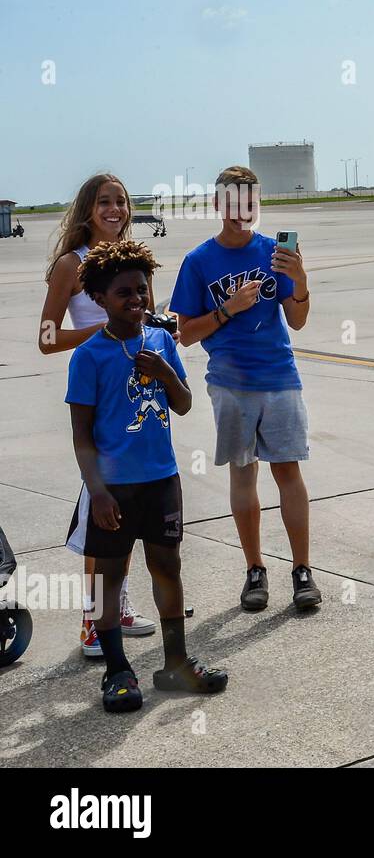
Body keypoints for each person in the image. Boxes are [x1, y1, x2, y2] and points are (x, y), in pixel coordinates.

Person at [65, 241, 227, 712]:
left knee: (168, 567)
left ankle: (174, 664)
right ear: (99, 297)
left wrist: (164, 373)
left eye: (142, 289)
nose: (136, 299)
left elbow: (184, 403)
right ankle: (117, 670)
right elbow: (81, 435)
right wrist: (96, 492)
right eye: (124, 292)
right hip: (112, 487)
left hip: (161, 479)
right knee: (109, 577)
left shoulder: (158, 342)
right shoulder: (89, 356)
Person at [170, 166, 321, 611]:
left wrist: (302, 281)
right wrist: (230, 309)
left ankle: (302, 570)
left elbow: (297, 320)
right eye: (233, 204)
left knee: (288, 471)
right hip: (230, 384)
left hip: (279, 377)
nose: (242, 212)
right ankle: (255, 569)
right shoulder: (199, 262)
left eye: (249, 203)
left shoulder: (276, 252)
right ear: (218, 205)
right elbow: (186, 332)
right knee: (243, 470)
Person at [40, 174, 158, 657]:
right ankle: (93, 623)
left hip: (137, 395)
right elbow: (47, 338)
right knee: (100, 514)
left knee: (128, 513)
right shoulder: (71, 264)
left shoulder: (133, 258)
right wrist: (100, 334)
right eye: (104, 202)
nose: (114, 209)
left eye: (121, 202)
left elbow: (143, 316)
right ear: (88, 209)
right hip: (97, 395)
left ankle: (118, 606)